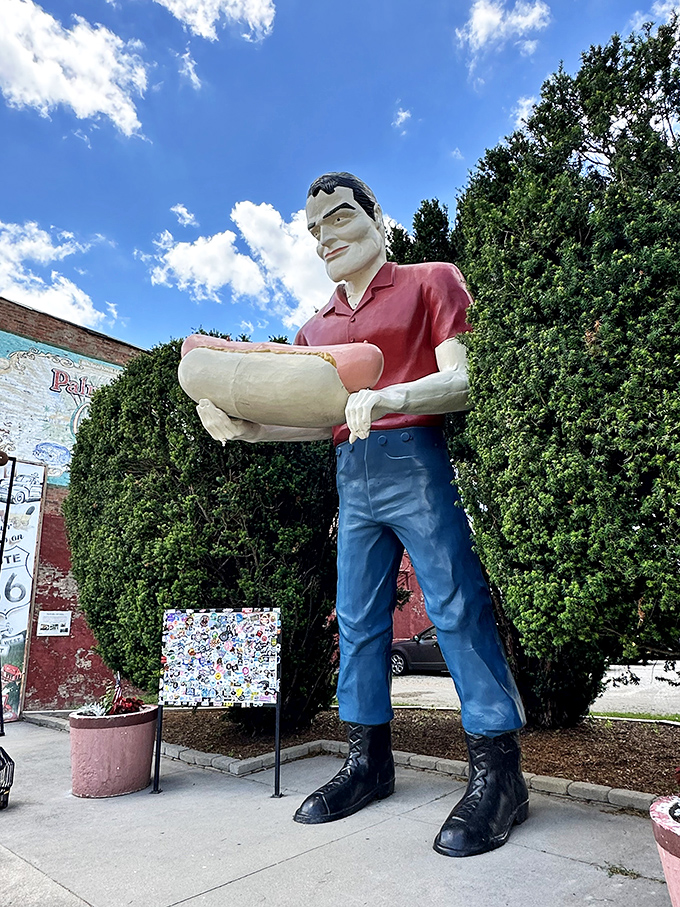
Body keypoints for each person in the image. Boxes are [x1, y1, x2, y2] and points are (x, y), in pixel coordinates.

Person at [193, 172, 528, 858]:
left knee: (456, 603)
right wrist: (255, 430)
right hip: (355, 473)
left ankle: (500, 771)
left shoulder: (431, 280)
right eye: (315, 229)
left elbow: (463, 379)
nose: (327, 237)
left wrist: (386, 396)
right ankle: (368, 760)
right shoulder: (313, 329)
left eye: (340, 217)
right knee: (357, 618)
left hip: (415, 457)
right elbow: (320, 422)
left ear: (377, 216)